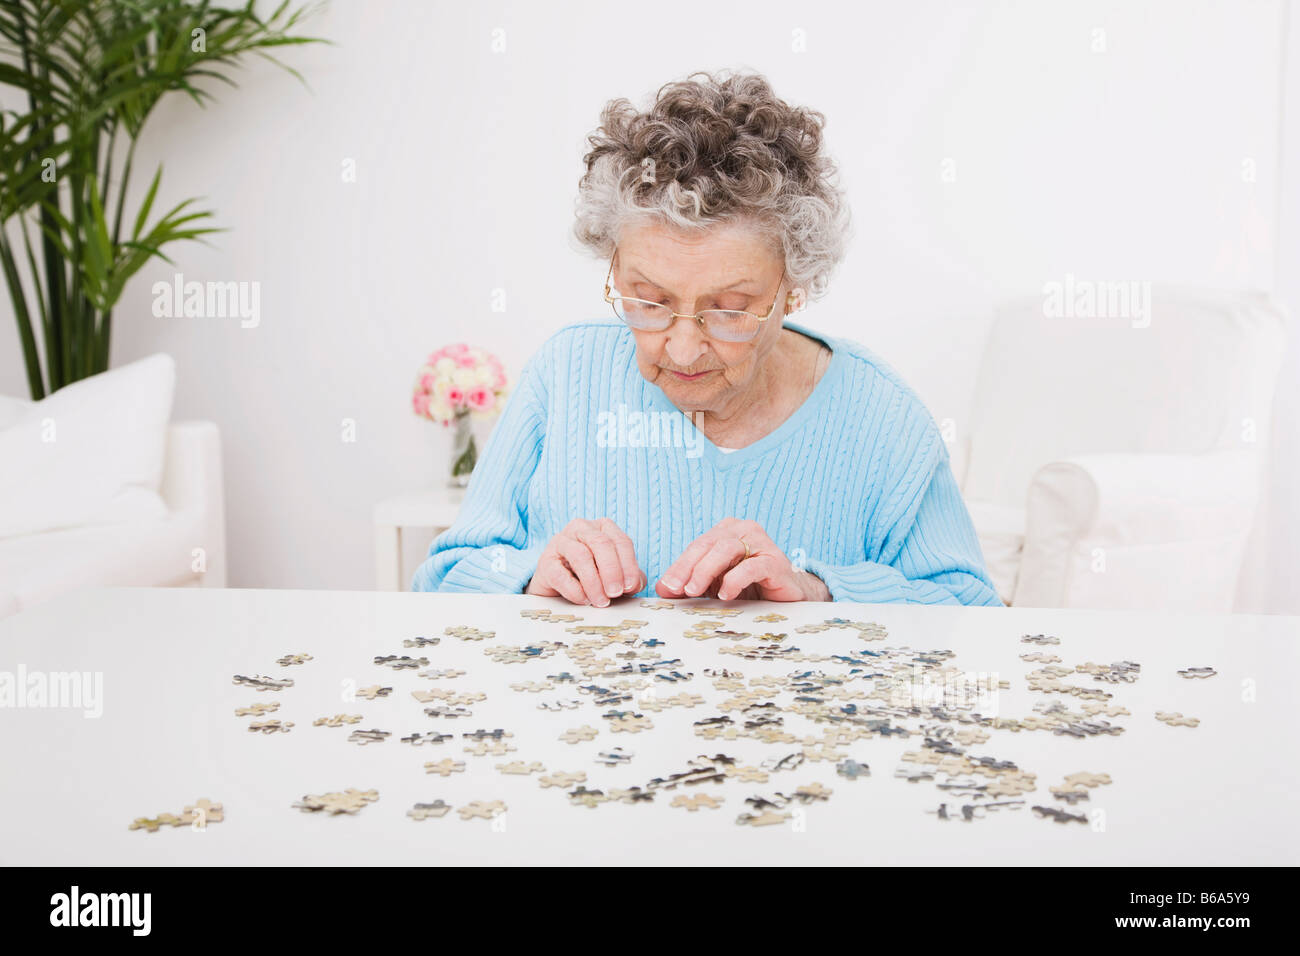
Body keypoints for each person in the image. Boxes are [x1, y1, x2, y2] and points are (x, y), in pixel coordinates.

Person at [412, 70, 1001, 608]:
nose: (684, 350)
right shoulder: (565, 374)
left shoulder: (882, 417)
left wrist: (820, 592)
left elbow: (971, 609)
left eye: (730, 310)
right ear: (613, 267)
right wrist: (528, 574)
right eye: (649, 301)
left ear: (792, 286)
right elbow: (441, 579)